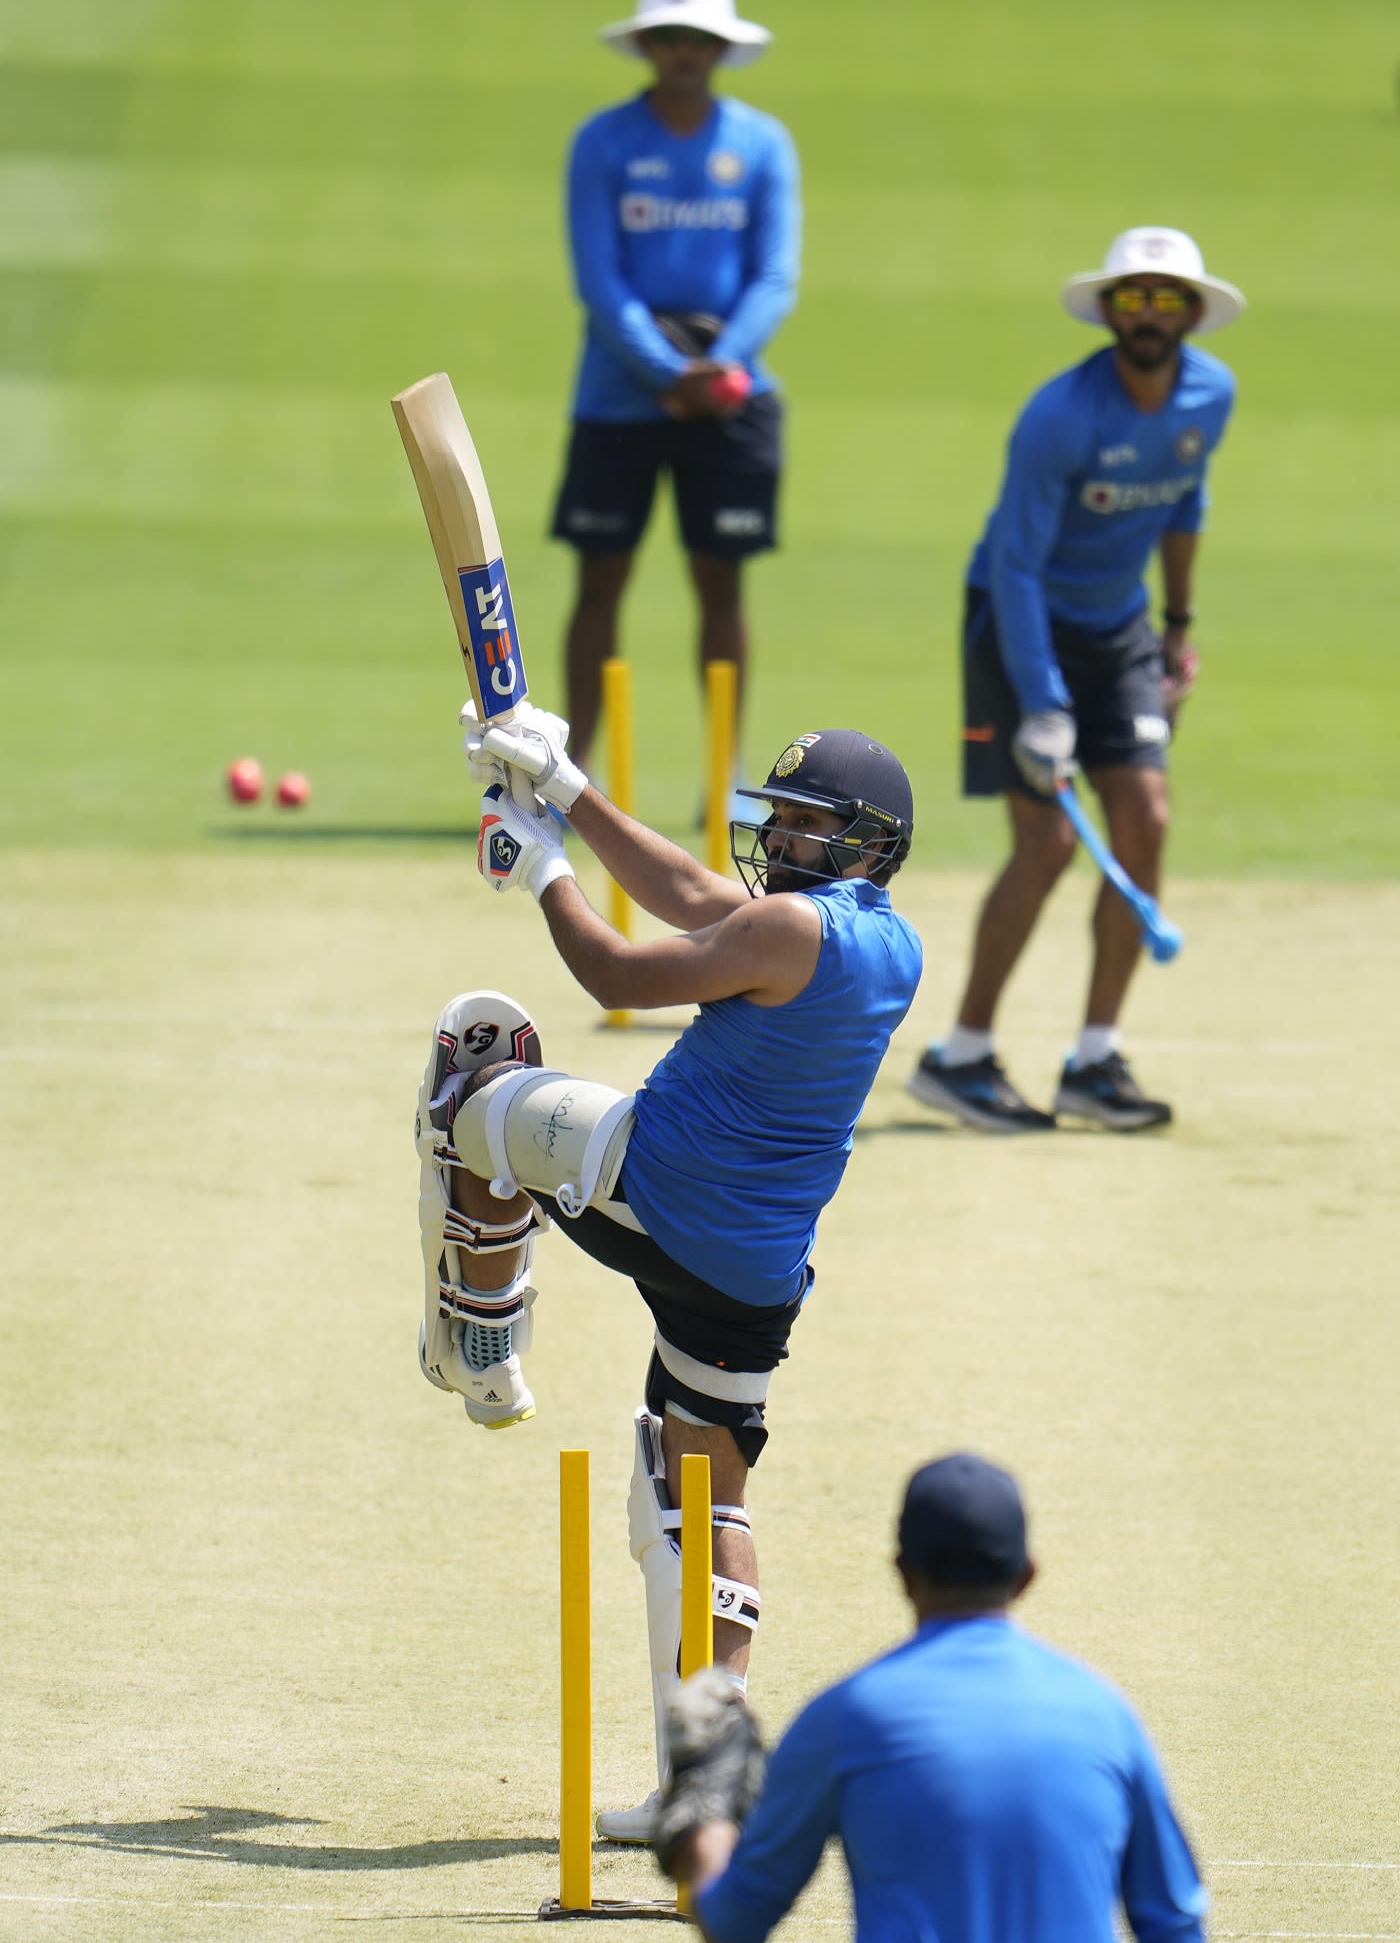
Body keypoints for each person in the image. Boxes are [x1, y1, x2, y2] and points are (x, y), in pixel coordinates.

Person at [414, 705, 920, 1841]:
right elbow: (696, 889)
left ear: (865, 842)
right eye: (778, 819)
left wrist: (541, 862)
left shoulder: (791, 932)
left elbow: (612, 969)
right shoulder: (881, 939)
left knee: (470, 1085)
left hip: (647, 1185)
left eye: (807, 825)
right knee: (698, 1484)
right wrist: (568, 787)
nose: (781, 837)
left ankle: (481, 1322)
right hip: (750, 1273)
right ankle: (708, 1769)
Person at [659, 1452, 1207, 1943]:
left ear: (902, 1572)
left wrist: (706, 1822)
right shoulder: (1106, 1715)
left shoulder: (843, 1719)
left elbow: (731, 1927)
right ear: (1026, 1575)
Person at [908, 226, 1245, 1132]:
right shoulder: (1059, 416)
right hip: (1017, 625)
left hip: (1121, 628)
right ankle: (961, 1054)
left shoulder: (1211, 395)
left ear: (1191, 315)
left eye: (1166, 300)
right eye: (1131, 297)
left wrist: (1177, 626)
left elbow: (1186, 501)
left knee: (1146, 823)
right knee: (1049, 845)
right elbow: (1016, 565)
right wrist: (1045, 704)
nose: (1147, 315)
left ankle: (1095, 1059)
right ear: (1106, 310)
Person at [550, 0, 801, 775]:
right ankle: (572, 768)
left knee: (721, 585)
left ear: (720, 49)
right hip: (621, 397)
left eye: (699, 39)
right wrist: (665, 372)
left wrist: (719, 367)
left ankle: (723, 778)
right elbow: (600, 282)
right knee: (599, 582)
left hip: (730, 403)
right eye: (669, 37)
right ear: (648, 46)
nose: (684, 51)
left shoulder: (762, 144)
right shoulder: (603, 141)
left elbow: (774, 277)